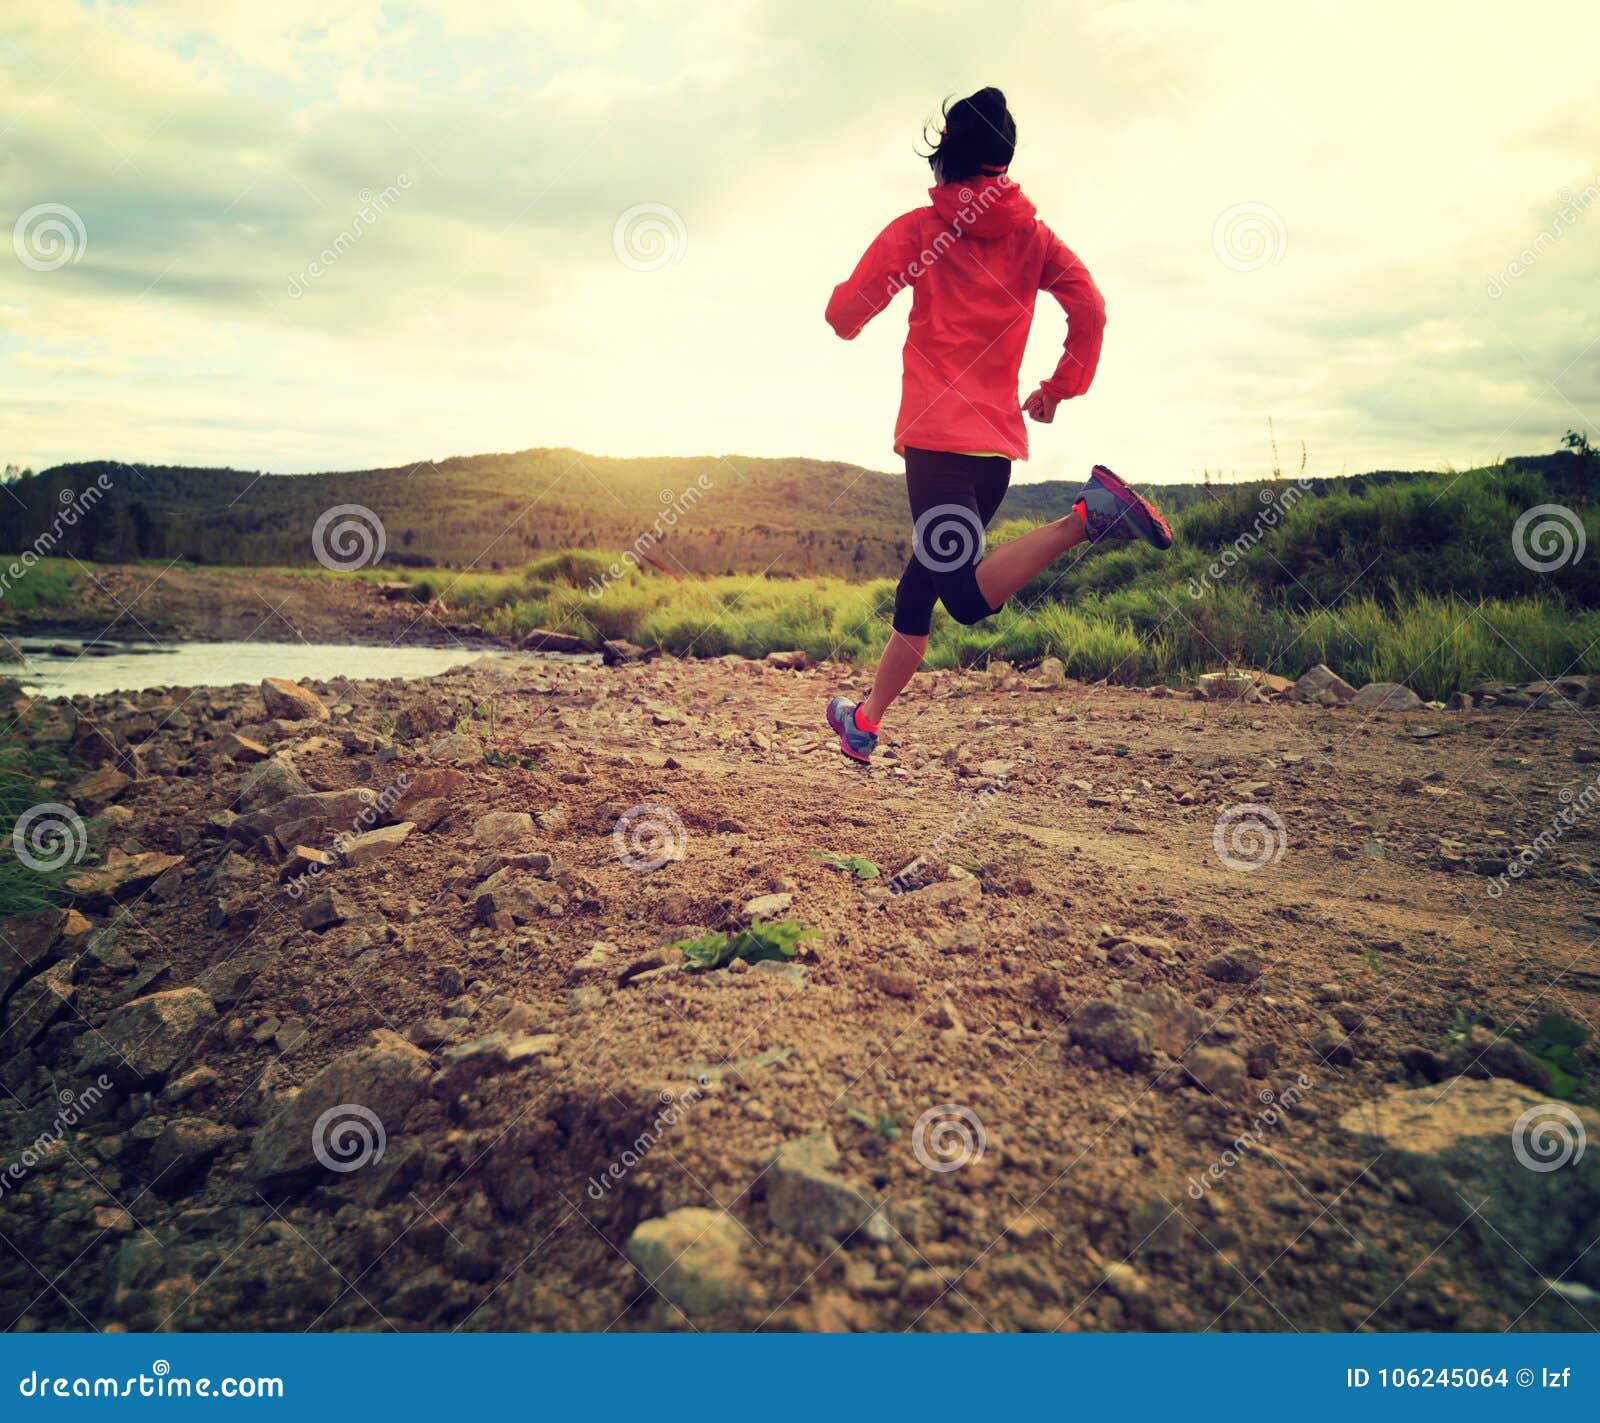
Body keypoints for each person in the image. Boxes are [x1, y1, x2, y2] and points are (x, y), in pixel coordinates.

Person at [823, 86, 1174, 764]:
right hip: (994, 455)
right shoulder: (1035, 238)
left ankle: (1087, 514)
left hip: (937, 444)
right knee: (917, 590)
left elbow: (844, 317)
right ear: (1002, 158)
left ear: (945, 155)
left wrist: (856, 302)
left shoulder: (919, 230)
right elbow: (1091, 310)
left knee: (965, 595)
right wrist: (1058, 387)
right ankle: (863, 721)